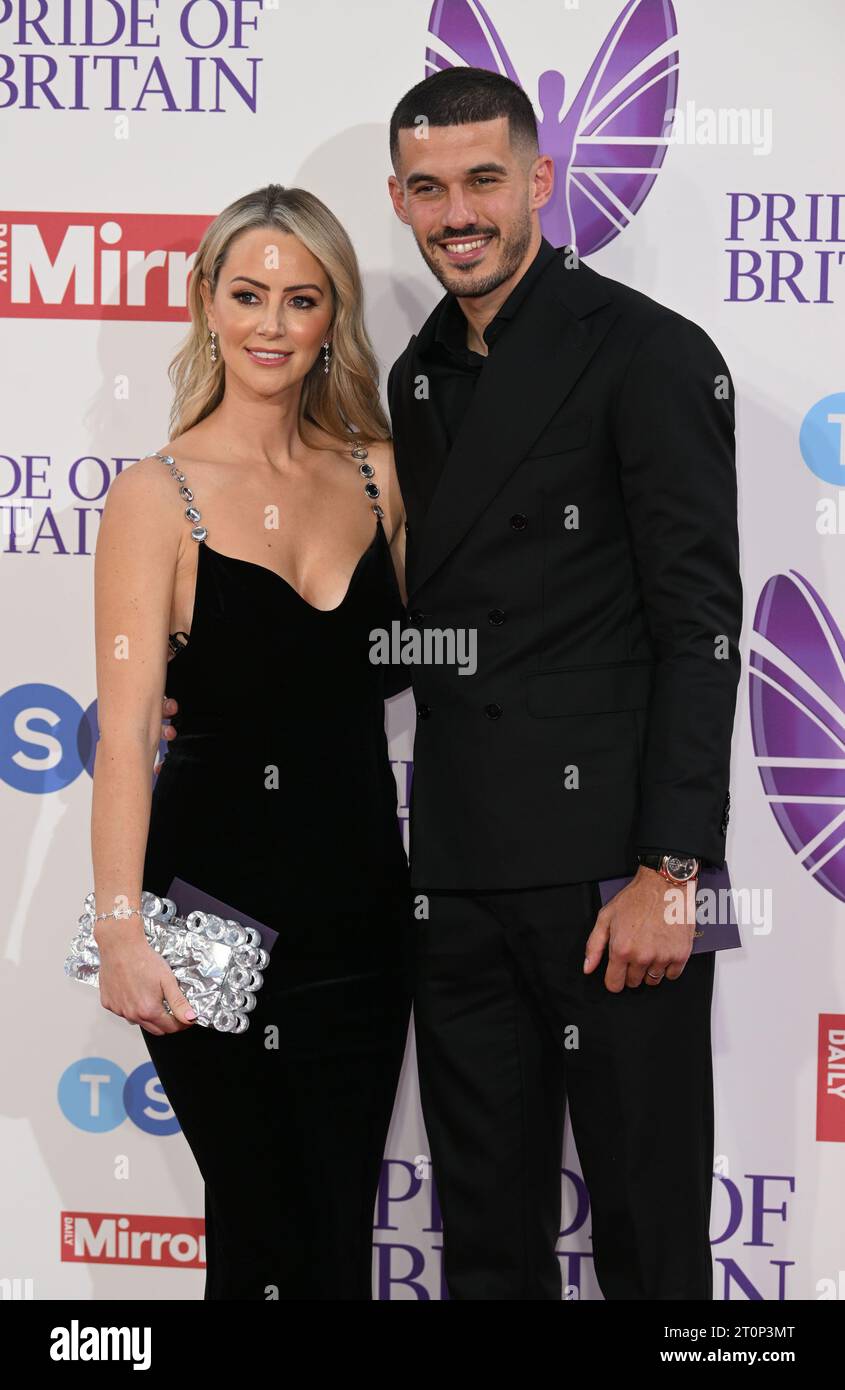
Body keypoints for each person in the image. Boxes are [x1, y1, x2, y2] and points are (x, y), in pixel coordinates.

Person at [382, 67, 741, 1299]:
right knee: (484, 1237)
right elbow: (434, 627)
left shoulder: (647, 352)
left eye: (483, 179)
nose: (457, 212)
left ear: (539, 181)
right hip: (461, 871)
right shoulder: (417, 374)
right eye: (428, 189)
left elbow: (698, 627)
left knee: (649, 1239)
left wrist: (670, 868)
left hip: (612, 879)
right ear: (398, 201)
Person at [91, 183, 413, 1300]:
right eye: (248, 294)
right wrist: (121, 930)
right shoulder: (156, 493)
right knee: (267, 1237)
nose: (272, 323)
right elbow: (128, 730)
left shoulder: (379, 474)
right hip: (203, 916)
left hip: (360, 914)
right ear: (207, 306)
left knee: (330, 1243)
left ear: (333, 319)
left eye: (302, 298)